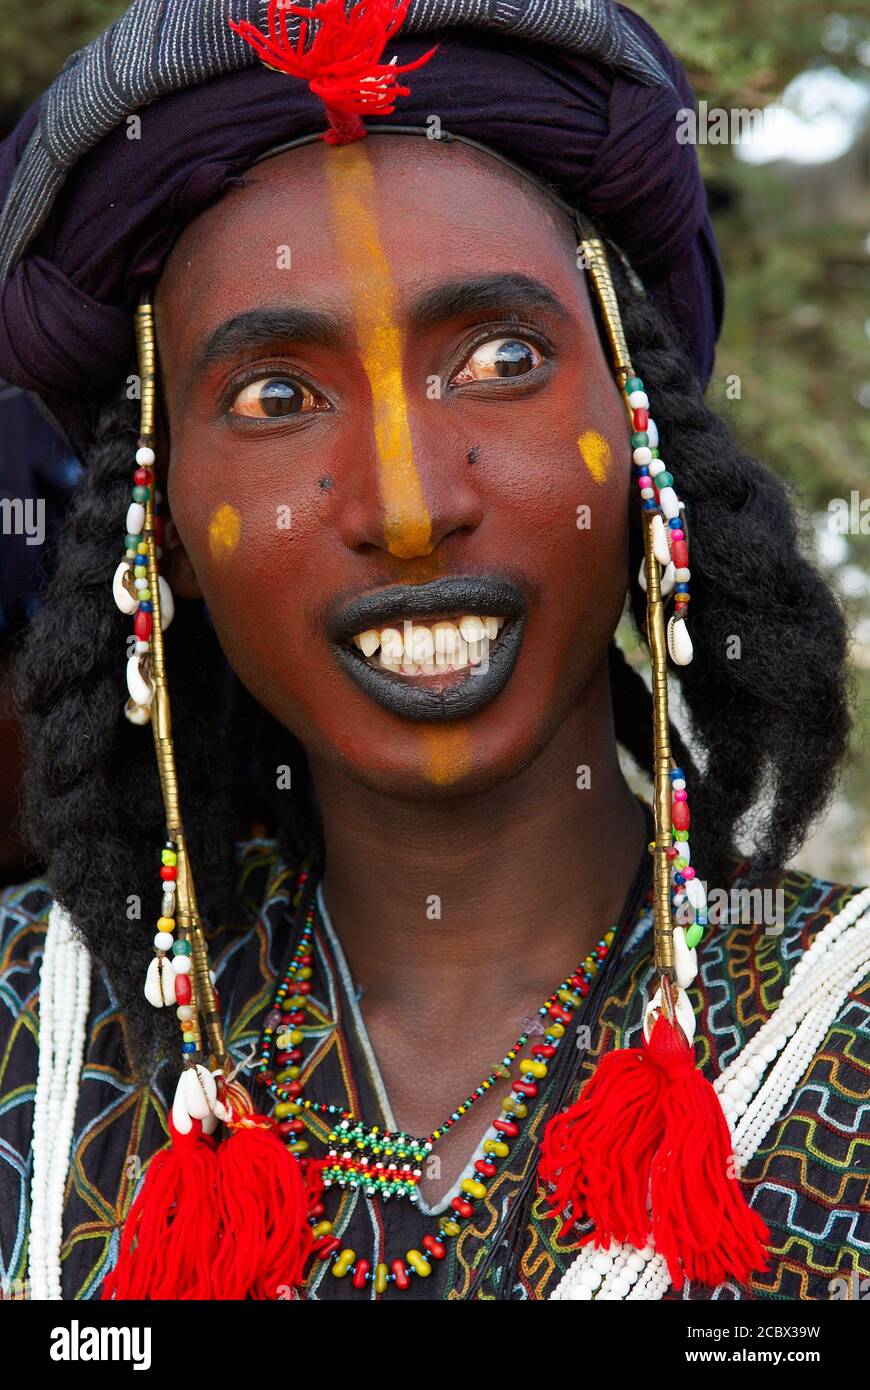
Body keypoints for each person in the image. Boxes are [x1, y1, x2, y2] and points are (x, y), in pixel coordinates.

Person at [0, 0, 866, 1303]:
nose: (405, 504)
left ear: (644, 444)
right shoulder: (34, 1015)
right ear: (162, 518)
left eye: (502, 357)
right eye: (275, 395)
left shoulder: (840, 1027)